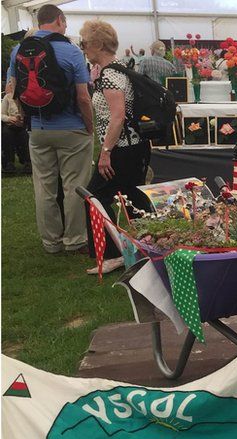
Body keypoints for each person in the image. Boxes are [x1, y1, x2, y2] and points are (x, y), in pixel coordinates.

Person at [6, 4, 93, 254]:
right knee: (73, 185)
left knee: (43, 186)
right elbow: (83, 97)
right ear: (59, 20)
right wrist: (88, 125)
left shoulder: (18, 51)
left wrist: (23, 116)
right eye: (64, 23)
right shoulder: (72, 51)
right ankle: (75, 239)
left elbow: (13, 89)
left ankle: (51, 241)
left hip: (38, 128)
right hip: (72, 128)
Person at [79, 20, 153, 275]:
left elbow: (117, 116)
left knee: (94, 197)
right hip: (134, 146)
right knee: (133, 196)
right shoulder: (118, 68)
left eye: (84, 43)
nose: (83, 48)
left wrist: (106, 152)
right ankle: (148, 245)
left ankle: (114, 254)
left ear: (98, 44)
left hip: (122, 148)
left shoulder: (111, 74)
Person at [1, 89, 31, 174]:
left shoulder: (25, 97)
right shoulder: (7, 97)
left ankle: (27, 162)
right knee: (6, 135)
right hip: (9, 124)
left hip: (22, 125)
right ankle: (8, 163)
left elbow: (29, 113)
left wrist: (23, 121)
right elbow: (1, 114)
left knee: (24, 136)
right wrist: (9, 118)